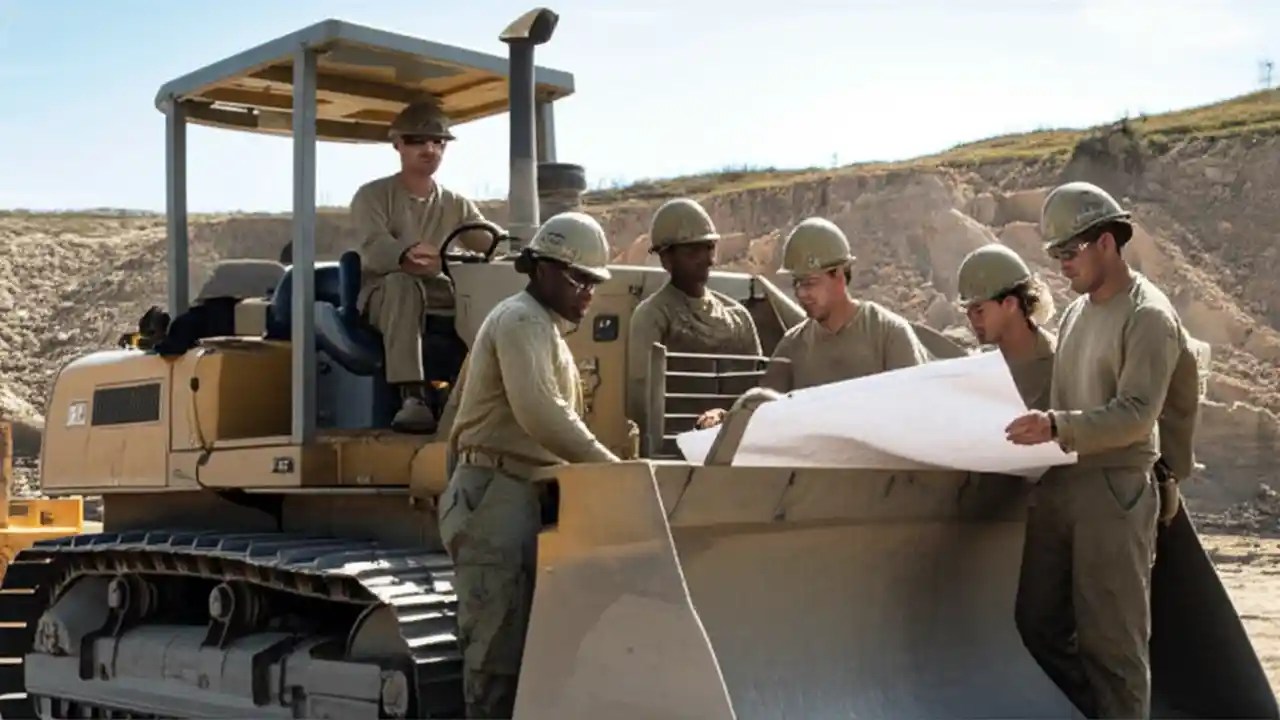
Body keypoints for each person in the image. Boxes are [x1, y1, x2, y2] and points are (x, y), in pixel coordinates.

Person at [1004, 180, 1198, 719]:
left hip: (1116, 491)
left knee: (1113, 647)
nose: (1062, 265)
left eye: (1070, 251)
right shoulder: (1073, 315)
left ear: (1107, 244)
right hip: (1063, 484)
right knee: (1037, 624)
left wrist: (1054, 425)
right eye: (1056, 254)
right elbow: (1060, 400)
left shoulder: (1148, 316)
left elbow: (1137, 414)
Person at [437, 211, 621, 718]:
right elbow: (541, 413)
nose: (587, 291)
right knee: (496, 659)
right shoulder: (519, 319)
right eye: (577, 277)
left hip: (521, 495)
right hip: (498, 494)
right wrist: (613, 471)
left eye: (594, 282)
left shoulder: (544, 331)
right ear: (539, 268)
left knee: (529, 658)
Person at [696, 217, 931, 428]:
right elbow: (761, 414)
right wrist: (725, 418)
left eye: (809, 283)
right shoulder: (793, 345)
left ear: (839, 274)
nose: (800, 294)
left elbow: (918, 416)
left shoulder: (889, 334)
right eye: (796, 283)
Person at [349, 100, 495, 434]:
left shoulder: (454, 203)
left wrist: (527, 246)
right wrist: (405, 253)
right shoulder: (373, 196)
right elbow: (373, 245)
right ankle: (412, 395)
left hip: (439, 294)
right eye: (417, 141)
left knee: (485, 293)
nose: (429, 148)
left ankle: (483, 393)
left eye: (438, 142)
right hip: (383, 295)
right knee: (403, 284)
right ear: (398, 144)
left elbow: (488, 238)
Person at [627, 197, 761, 435]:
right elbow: (641, 402)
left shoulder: (737, 318)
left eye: (709, 247)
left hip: (736, 451)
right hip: (675, 455)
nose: (706, 258)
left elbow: (757, 393)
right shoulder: (653, 316)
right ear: (666, 258)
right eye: (693, 250)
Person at [956, 243, 1057, 410]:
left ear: (1010, 304)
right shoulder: (982, 367)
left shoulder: (1060, 365)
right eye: (968, 311)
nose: (972, 320)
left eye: (979, 311)